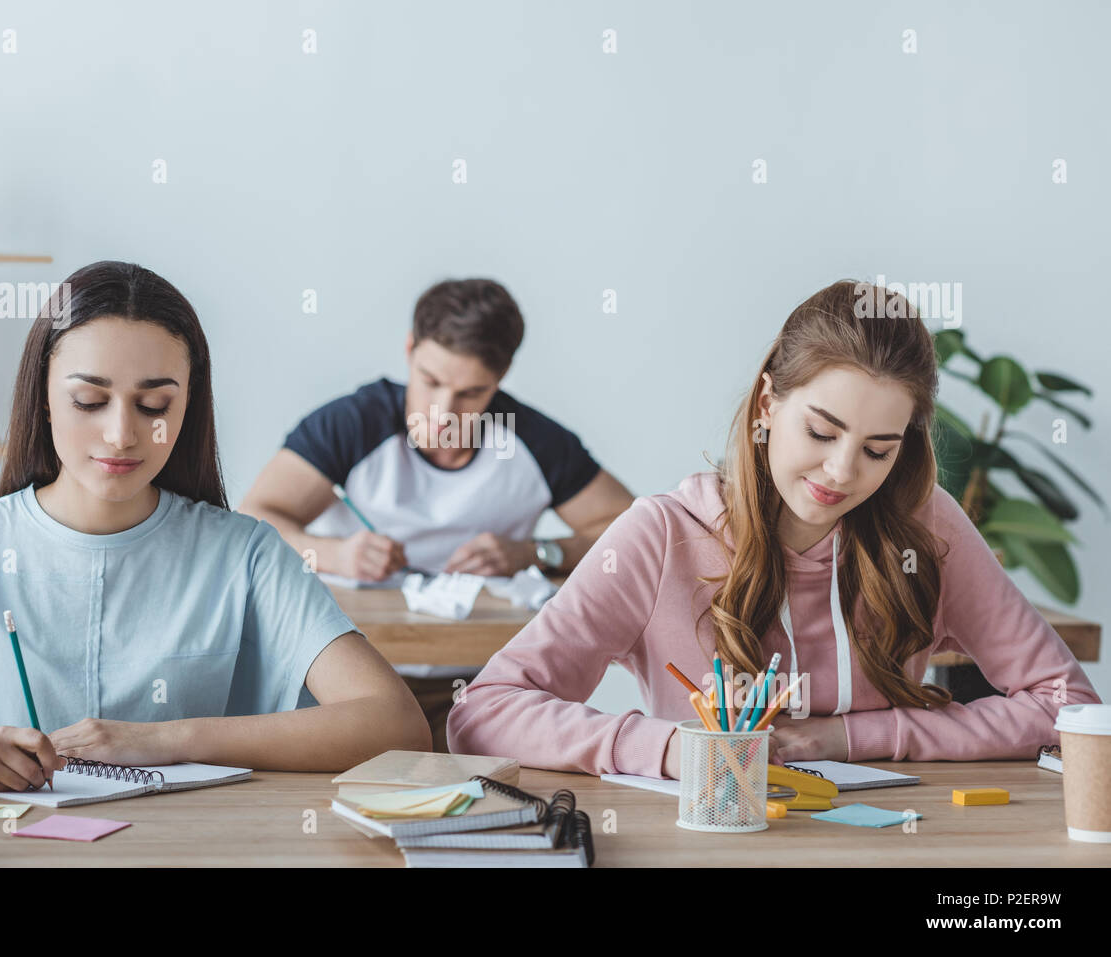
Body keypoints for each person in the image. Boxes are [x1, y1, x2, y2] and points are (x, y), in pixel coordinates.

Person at [0, 260, 429, 793]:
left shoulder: (245, 553)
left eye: (154, 405)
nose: (121, 434)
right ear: (44, 398)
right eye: (89, 400)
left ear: (187, 408)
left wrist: (168, 739)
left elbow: (395, 725)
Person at [447, 280, 1101, 774]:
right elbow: (482, 712)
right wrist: (678, 747)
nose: (842, 471)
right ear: (768, 403)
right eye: (821, 431)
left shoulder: (926, 528)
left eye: (879, 448)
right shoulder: (661, 536)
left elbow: (1067, 706)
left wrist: (847, 737)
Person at [241, 278, 635, 750]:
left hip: (482, 685)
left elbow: (629, 531)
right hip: (351, 680)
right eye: (430, 382)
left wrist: (535, 551)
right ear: (409, 349)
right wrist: (334, 554)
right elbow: (256, 519)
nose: (444, 413)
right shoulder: (352, 423)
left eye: (470, 393)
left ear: (501, 376)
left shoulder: (533, 440)